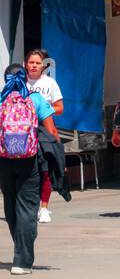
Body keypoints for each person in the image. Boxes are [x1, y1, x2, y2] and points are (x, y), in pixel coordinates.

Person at [0, 64, 57, 274]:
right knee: (27, 208)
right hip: (29, 159)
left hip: (4, 160)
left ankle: (20, 249)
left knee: (11, 205)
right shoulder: (34, 98)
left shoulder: (1, 99)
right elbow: (51, 130)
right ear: (25, 78)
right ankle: (22, 261)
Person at [24, 49, 62, 223]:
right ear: (26, 64)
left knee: (45, 169)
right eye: (31, 62)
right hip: (22, 132)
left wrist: (42, 109)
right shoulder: (18, 82)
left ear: (43, 65)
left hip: (44, 130)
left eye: (37, 63)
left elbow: (60, 108)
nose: (34, 66)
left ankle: (44, 208)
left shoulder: (50, 83)